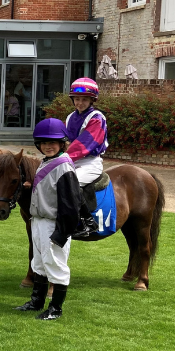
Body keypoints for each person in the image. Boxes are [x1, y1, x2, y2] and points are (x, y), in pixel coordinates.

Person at [15, 118, 82, 321]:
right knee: (39, 263)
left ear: (62, 143)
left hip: (53, 224)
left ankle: (56, 309)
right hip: (38, 221)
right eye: (44, 143)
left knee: (55, 264)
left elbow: (70, 204)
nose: (48, 146)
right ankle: (36, 301)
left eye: (53, 142)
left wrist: (62, 232)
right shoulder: (47, 161)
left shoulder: (63, 167)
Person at [65, 78, 108, 237]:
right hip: (71, 160)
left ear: (92, 100)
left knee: (70, 183)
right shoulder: (70, 117)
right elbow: (65, 141)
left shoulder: (97, 117)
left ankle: (88, 222)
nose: (80, 102)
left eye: (84, 99)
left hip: (90, 162)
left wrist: (63, 157)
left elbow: (85, 144)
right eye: (77, 99)